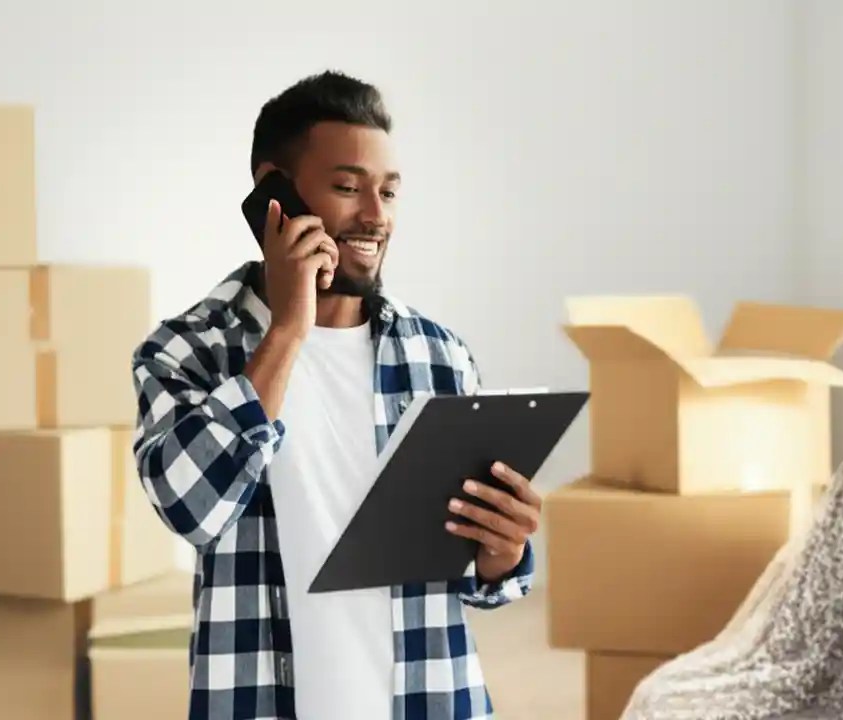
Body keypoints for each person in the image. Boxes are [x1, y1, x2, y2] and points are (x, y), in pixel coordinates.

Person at [130, 70, 539, 720]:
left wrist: (502, 553)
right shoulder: (187, 350)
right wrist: (292, 328)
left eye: (389, 192)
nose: (375, 215)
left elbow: (475, 584)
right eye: (348, 187)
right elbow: (190, 508)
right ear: (275, 191)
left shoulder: (439, 356)